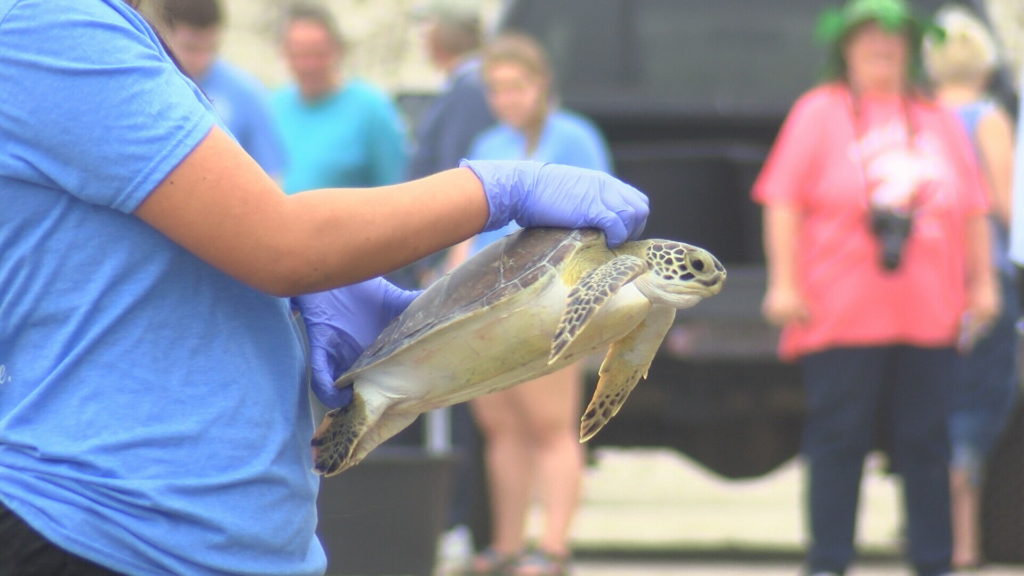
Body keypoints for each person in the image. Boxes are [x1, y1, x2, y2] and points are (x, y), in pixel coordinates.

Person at [0, 2, 650, 575]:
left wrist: (298, 302)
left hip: (201, 543)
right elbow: (279, 242)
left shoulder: (102, 27)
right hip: (102, 535)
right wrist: (500, 190)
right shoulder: (48, 20)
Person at [753, 1, 999, 575]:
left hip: (929, 312)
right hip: (840, 311)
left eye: (893, 40)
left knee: (927, 443)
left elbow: (972, 209)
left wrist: (983, 283)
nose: (881, 49)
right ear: (845, 48)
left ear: (912, 51)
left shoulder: (936, 118)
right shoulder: (819, 112)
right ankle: (829, 561)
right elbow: (783, 202)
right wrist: (784, 284)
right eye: (868, 38)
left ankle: (933, 560)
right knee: (837, 440)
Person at [449, 33, 613, 576]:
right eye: (496, 90)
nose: (506, 100)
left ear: (540, 85)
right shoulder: (487, 140)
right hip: (486, 302)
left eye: (515, 88)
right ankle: (507, 543)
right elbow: (466, 225)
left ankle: (555, 545)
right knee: (501, 426)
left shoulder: (574, 138)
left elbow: (600, 217)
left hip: (550, 299)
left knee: (550, 424)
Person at [922, 5, 1019, 569]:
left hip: (932, 280)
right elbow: (1006, 205)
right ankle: (964, 542)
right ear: (985, 62)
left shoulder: (921, 117)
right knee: (981, 404)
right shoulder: (988, 118)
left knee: (937, 399)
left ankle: (934, 530)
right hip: (984, 281)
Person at [271, 3, 407, 193]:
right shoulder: (273, 106)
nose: (308, 65)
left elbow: (396, 186)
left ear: (337, 50)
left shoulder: (370, 108)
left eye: (317, 54)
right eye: (298, 55)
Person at [159, 0, 284, 179]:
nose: (203, 60)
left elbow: (272, 177)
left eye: (211, 48)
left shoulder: (247, 92)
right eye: (191, 48)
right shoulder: (150, 85)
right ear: (163, 34)